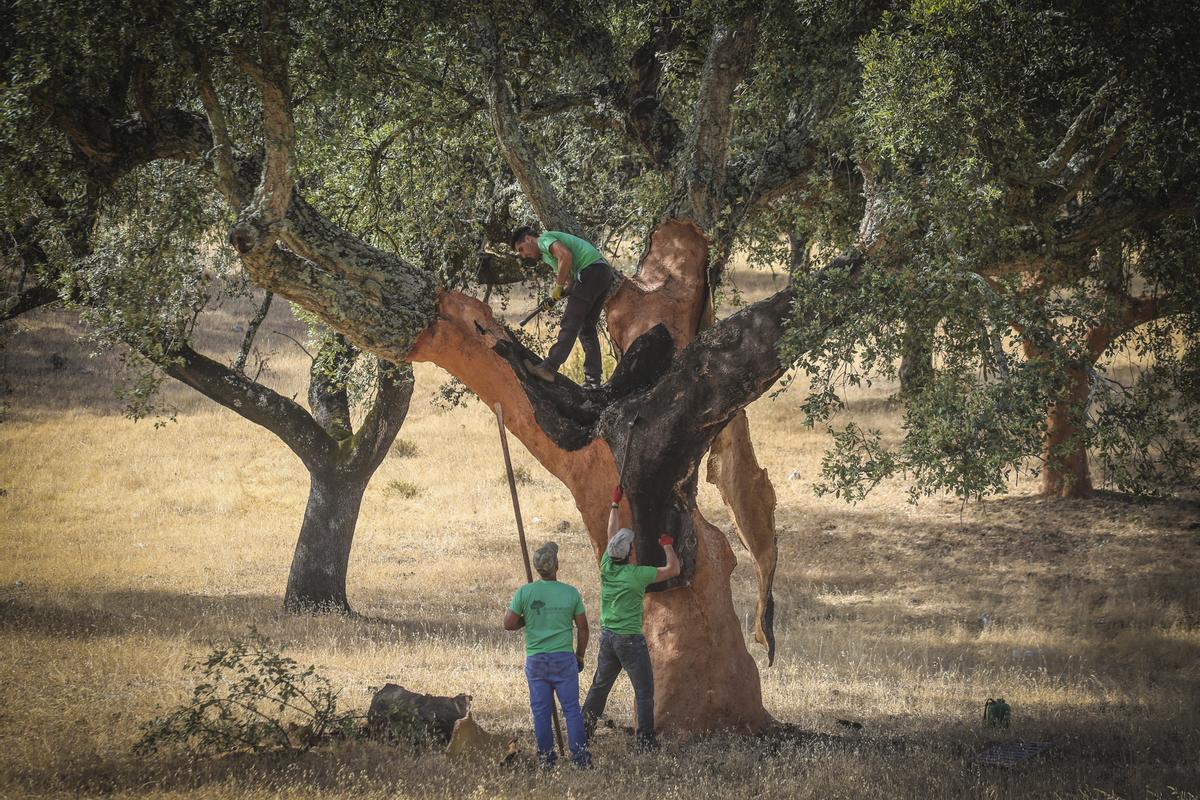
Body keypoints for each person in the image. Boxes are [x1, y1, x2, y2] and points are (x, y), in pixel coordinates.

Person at [581, 484, 680, 750]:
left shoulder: (606, 566)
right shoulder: (637, 576)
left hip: (608, 639)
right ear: (629, 554)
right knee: (644, 692)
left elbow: (611, 532)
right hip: (630, 641)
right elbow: (673, 570)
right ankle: (645, 742)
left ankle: (583, 733)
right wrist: (668, 546)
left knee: (599, 688)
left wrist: (615, 504)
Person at [504, 541, 592, 768]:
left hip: (536, 661)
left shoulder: (525, 592)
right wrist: (579, 656)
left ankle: (546, 760)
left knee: (541, 713)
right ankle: (580, 759)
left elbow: (509, 623)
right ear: (557, 565)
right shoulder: (571, 593)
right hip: (564, 660)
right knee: (572, 710)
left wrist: (528, 619)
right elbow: (583, 628)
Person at [510, 226, 616, 389]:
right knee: (586, 328)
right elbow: (573, 283)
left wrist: (558, 286)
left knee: (570, 322)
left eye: (522, 249)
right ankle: (593, 381)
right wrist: (554, 298)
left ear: (529, 239)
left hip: (591, 271)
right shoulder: (547, 256)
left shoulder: (544, 240)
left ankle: (549, 367)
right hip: (601, 273)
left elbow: (566, 256)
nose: (524, 255)